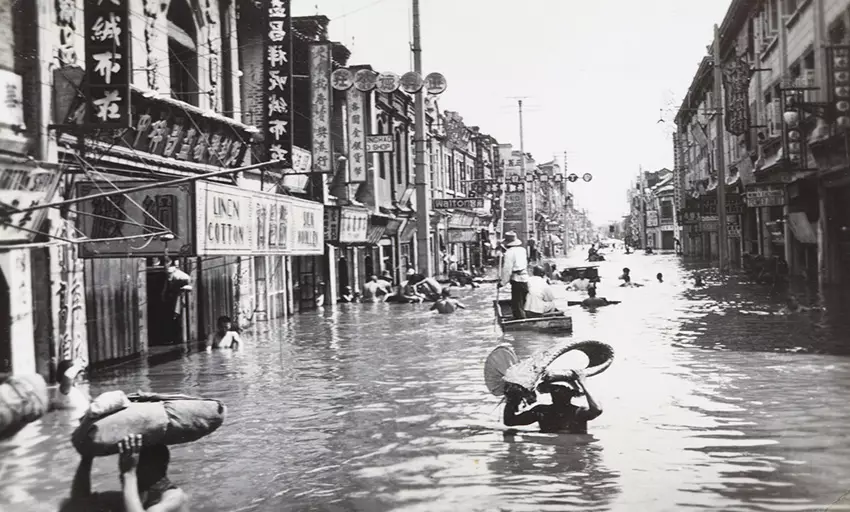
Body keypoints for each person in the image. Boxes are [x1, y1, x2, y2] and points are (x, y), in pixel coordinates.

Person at [65, 434, 188, 511]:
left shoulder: (174, 498)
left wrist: (129, 474)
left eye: (128, 463)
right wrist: (87, 459)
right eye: (122, 463)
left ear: (154, 468)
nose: (120, 470)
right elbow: (78, 503)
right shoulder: (127, 498)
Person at [503, 369, 603, 434]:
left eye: (562, 389)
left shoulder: (578, 412)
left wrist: (583, 384)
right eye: (554, 388)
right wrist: (513, 396)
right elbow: (509, 421)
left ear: (570, 393)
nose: (557, 392)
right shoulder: (542, 411)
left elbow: (597, 409)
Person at [499, 231, 530, 320]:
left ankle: (520, 320)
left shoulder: (508, 253)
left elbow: (507, 270)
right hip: (525, 278)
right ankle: (524, 317)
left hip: (517, 280)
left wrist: (502, 283)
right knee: (524, 301)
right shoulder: (522, 250)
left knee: (517, 303)